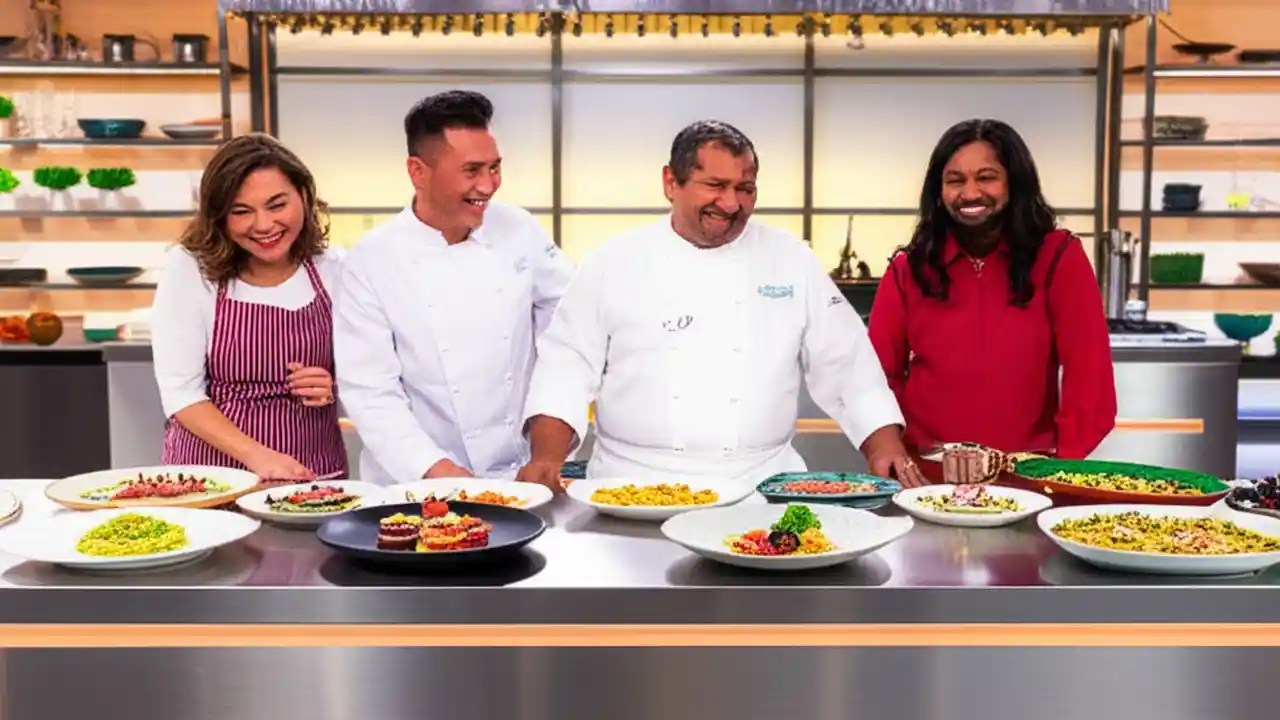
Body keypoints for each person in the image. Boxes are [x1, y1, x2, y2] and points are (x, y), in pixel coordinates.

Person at [516, 120, 923, 491]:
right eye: (715, 185)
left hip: (761, 486)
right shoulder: (613, 262)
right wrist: (546, 456)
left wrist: (883, 445)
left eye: (744, 189)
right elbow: (567, 364)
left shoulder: (790, 258)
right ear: (671, 183)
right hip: (631, 486)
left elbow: (846, 361)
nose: (731, 203)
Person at [334, 90, 574, 485]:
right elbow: (370, 392)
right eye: (471, 170)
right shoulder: (371, 260)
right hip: (413, 484)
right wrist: (443, 475)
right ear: (417, 171)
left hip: (515, 477)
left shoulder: (519, 228)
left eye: (495, 168)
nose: (488, 184)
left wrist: (547, 449)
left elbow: (569, 329)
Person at [868, 118, 1116, 482]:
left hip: (1032, 478)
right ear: (938, 192)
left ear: (1015, 184)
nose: (970, 194)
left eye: (986, 177)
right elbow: (877, 378)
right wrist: (891, 448)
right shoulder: (907, 270)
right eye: (955, 180)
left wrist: (1061, 467)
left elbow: (1088, 374)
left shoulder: (1059, 257)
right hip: (927, 480)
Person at [152, 133, 346, 481]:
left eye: (277, 205)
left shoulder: (336, 269)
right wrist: (258, 457)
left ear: (304, 195)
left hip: (310, 470)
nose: (264, 225)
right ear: (219, 217)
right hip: (211, 478)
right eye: (241, 211)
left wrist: (334, 386)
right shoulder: (190, 269)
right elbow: (181, 393)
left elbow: (373, 380)